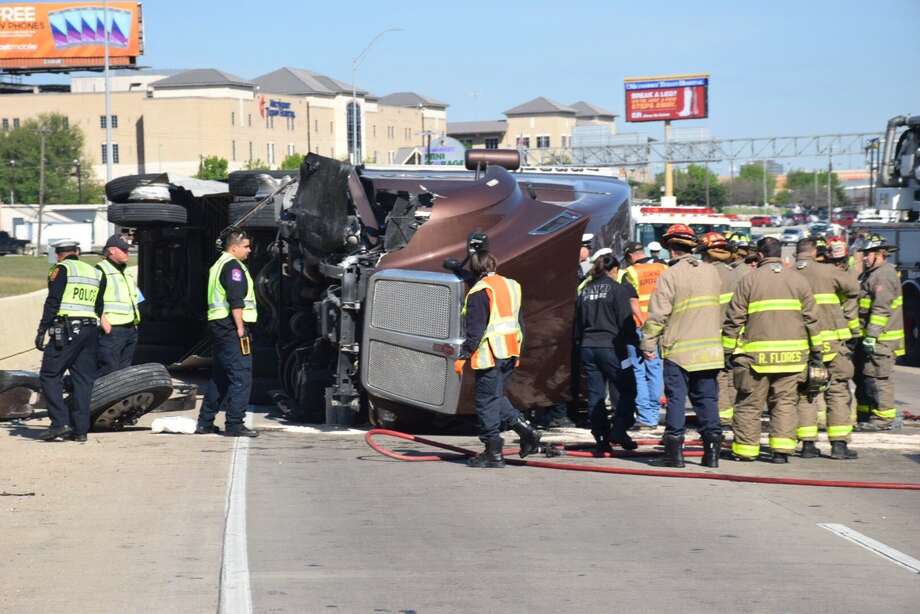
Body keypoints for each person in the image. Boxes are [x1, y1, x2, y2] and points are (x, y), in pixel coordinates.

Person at [722, 237, 823, 463]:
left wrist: (727, 351)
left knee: (749, 404)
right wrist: (817, 351)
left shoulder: (749, 280)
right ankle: (781, 452)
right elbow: (812, 319)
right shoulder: (798, 280)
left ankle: (746, 451)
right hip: (792, 358)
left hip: (755, 359)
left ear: (759, 255)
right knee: (785, 403)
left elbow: (734, 319)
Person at [641, 225, 724, 468]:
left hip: (680, 352)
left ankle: (674, 454)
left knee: (676, 400)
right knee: (707, 400)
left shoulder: (670, 275)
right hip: (710, 351)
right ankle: (712, 454)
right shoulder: (711, 271)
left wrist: (648, 343)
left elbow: (658, 315)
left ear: (670, 249)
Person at [456, 245, 541, 468]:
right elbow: (519, 322)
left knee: (485, 401)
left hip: (490, 354)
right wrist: (518, 351)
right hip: (510, 351)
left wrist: (464, 355)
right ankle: (526, 431)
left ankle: (493, 451)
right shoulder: (511, 285)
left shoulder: (479, 291)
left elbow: (476, 330)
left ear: (475, 269)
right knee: (495, 396)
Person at [793, 238, 860, 459]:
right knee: (837, 391)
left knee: (806, 393)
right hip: (832, 344)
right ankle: (839, 445)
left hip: (803, 345)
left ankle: (807, 446)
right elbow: (854, 288)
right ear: (814, 252)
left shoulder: (788, 275)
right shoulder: (828, 271)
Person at [34, 240, 105, 442]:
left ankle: (60, 423)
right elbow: (99, 305)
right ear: (77, 252)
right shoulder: (95, 272)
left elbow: (53, 300)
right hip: (90, 329)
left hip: (67, 329)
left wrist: (42, 329)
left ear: (58, 255)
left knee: (50, 374)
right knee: (83, 379)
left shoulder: (61, 269)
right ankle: (81, 430)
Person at [196, 228, 259, 437]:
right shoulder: (233, 267)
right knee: (241, 376)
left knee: (220, 376)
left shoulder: (218, 264)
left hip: (219, 326)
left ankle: (205, 422)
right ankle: (234, 424)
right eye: (246, 246)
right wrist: (240, 328)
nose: (249, 250)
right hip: (232, 327)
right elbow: (235, 300)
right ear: (234, 248)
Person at [576, 254, 639, 456]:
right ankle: (619, 428)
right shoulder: (617, 289)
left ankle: (601, 439)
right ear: (614, 270)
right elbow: (626, 321)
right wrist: (636, 344)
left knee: (596, 395)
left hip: (588, 347)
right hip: (612, 348)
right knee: (628, 388)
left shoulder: (585, 291)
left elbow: (578, 323)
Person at [854, 234, 905, 431]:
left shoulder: (883, 275)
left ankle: (883, 419)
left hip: (882, 339)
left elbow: (880, 310)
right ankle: (866, 415)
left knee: (879, 378)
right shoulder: (871, 274)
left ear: (879, 254)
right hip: (872, 337)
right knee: (866, 377)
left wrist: (872, 336)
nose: (865, 258)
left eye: (868, 254)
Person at [698, 231, 748, 428]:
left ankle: (723, 415)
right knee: (734, 375)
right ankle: (736, 414)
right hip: (738, 334)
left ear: (706, 253)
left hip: (713, 335)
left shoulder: (704, 274)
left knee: (718, 377)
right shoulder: (736, 274)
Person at [621, 241, 667, 431]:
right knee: (655, 369)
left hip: (638, 326)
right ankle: (654, 414)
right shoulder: (663, 268)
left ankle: (646, 416)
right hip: (661, 325)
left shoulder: (630, 273)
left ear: (631, 256)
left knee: (638, 371)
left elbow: (628, 302)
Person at [96, 234, 141, 376]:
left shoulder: (126, 271)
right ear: (111, 250)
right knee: (109, 370)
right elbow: (94, 301)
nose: (127, 252)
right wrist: (104, 324)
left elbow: (135, 297)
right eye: (123, 250)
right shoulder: (100, 270)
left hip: (130, 328)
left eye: (127, 249)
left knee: (124, 371)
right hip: (112, 330)